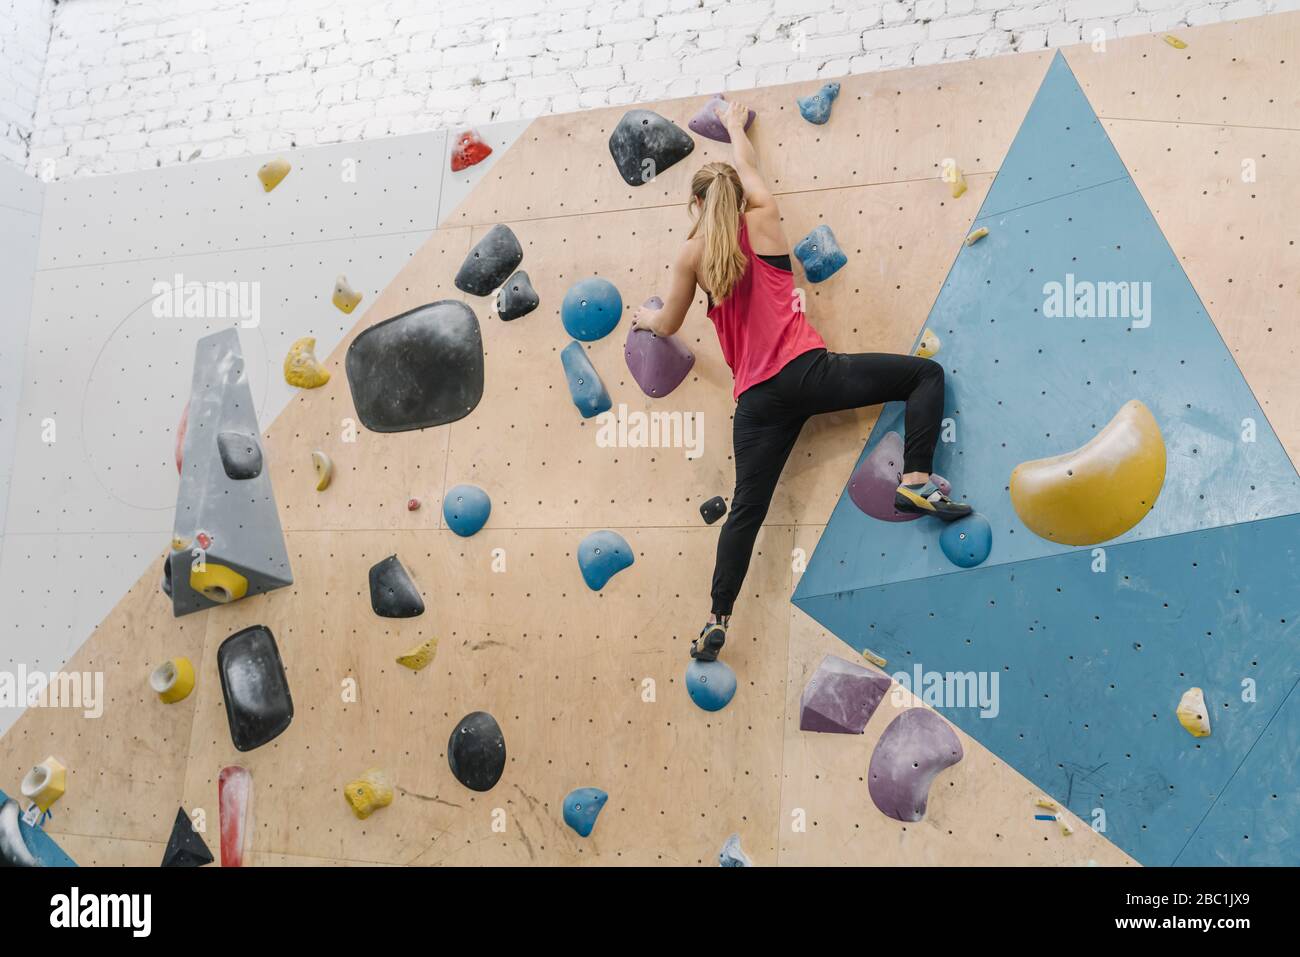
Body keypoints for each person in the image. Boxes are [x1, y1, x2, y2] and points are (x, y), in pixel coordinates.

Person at [631, 100, 972, 663]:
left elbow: (666, 323)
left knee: (747, 509)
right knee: (923, 375)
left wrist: (645, 321)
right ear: (738, 196)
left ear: (694, 204)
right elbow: (748, 168)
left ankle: (716, 619)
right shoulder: (761, 217)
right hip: (808, 372)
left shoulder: (690, 255)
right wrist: (737, 131)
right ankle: (914, 478)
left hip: (757, 403)